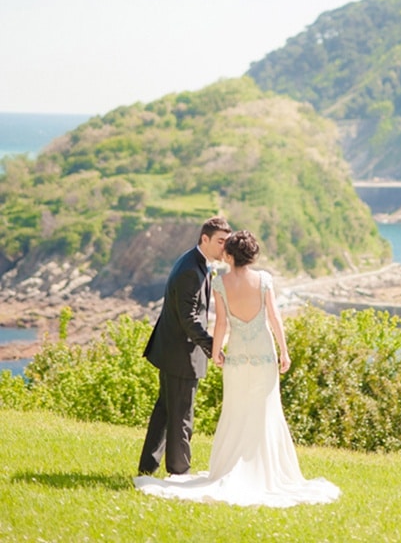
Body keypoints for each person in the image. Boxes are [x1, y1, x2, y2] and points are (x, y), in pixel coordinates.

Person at [134, 229, 340, 507]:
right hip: (264, 355)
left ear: (230, 255)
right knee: (266, 412)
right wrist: (284, 351)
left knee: (235, 411)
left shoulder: (221, 283)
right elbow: (275, 318)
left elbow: (221, 323)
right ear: (252, 255)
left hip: (238, 358)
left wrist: (216, 352)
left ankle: (228, 467)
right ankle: (267, 472)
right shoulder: (264, 280)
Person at [137, 216, 231, 477]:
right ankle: (179, 472)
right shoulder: (191, 269)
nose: (224, 247)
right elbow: (189, 319)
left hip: (172, 351)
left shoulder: (194, 262)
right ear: (205, 239)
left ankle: (147, 467)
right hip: (181, 354)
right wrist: (212, 348)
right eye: (220, 241)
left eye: (227, 241)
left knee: (166, 412)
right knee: (181, 417)